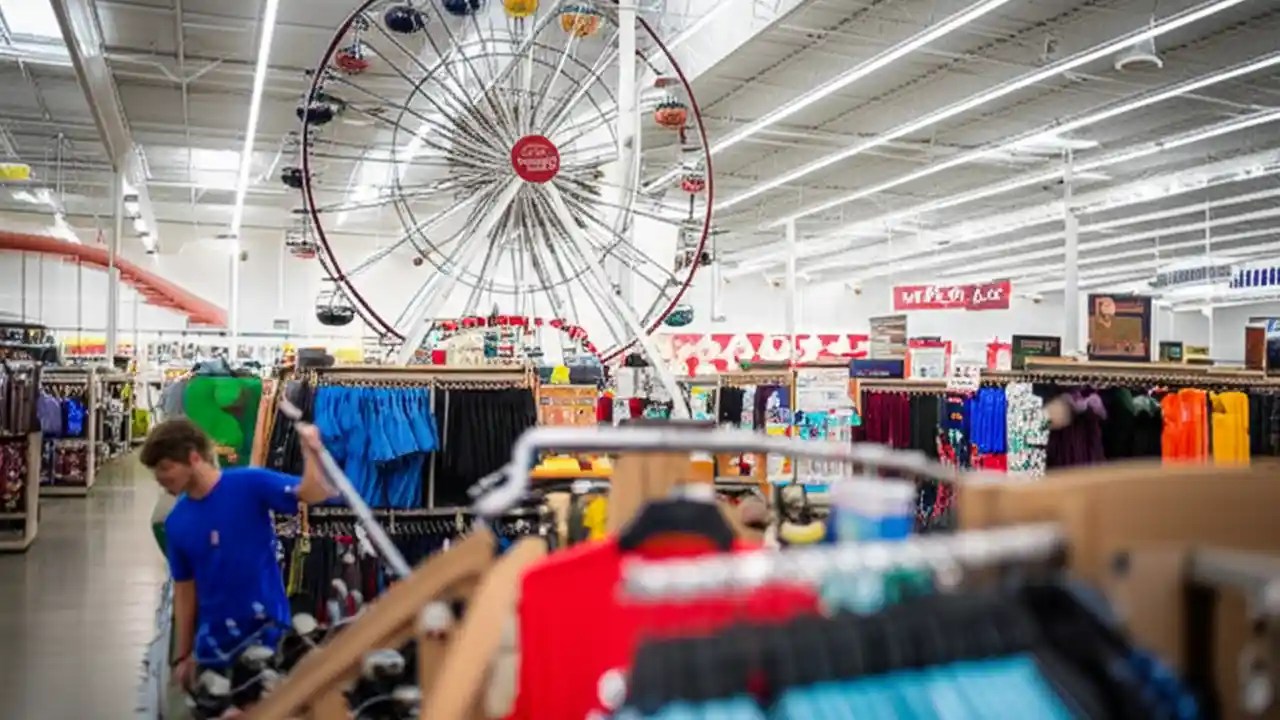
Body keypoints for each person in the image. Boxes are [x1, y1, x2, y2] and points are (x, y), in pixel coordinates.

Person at [140, 418, 334, 690]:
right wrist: (183, 656)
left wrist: (311, 451)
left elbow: (314, 493)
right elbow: (185, 591)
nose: (160, 478)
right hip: (215, 652)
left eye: (165, 467)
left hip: (269, 641)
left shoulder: (249, 484)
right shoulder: (176, 522)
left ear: (194, 458)